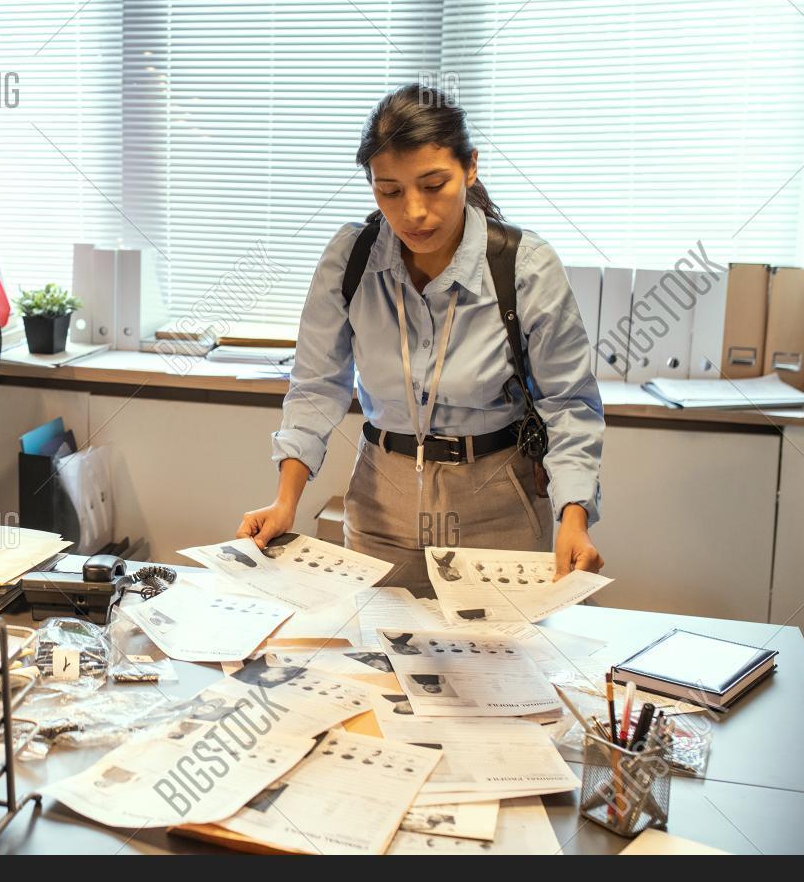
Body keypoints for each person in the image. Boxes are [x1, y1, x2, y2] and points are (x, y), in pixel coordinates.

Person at [237, 85, 604, 596]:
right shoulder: (351, 260)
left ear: (470, 167)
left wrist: (574, 517)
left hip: (497, 505)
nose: (413, 212)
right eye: (390, 191)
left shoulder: (524, 265)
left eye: (433, 186)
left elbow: (568, 404)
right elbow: (316, 387)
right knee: (376, 643)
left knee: (496, 647)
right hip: (381, 506)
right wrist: (285, 501)